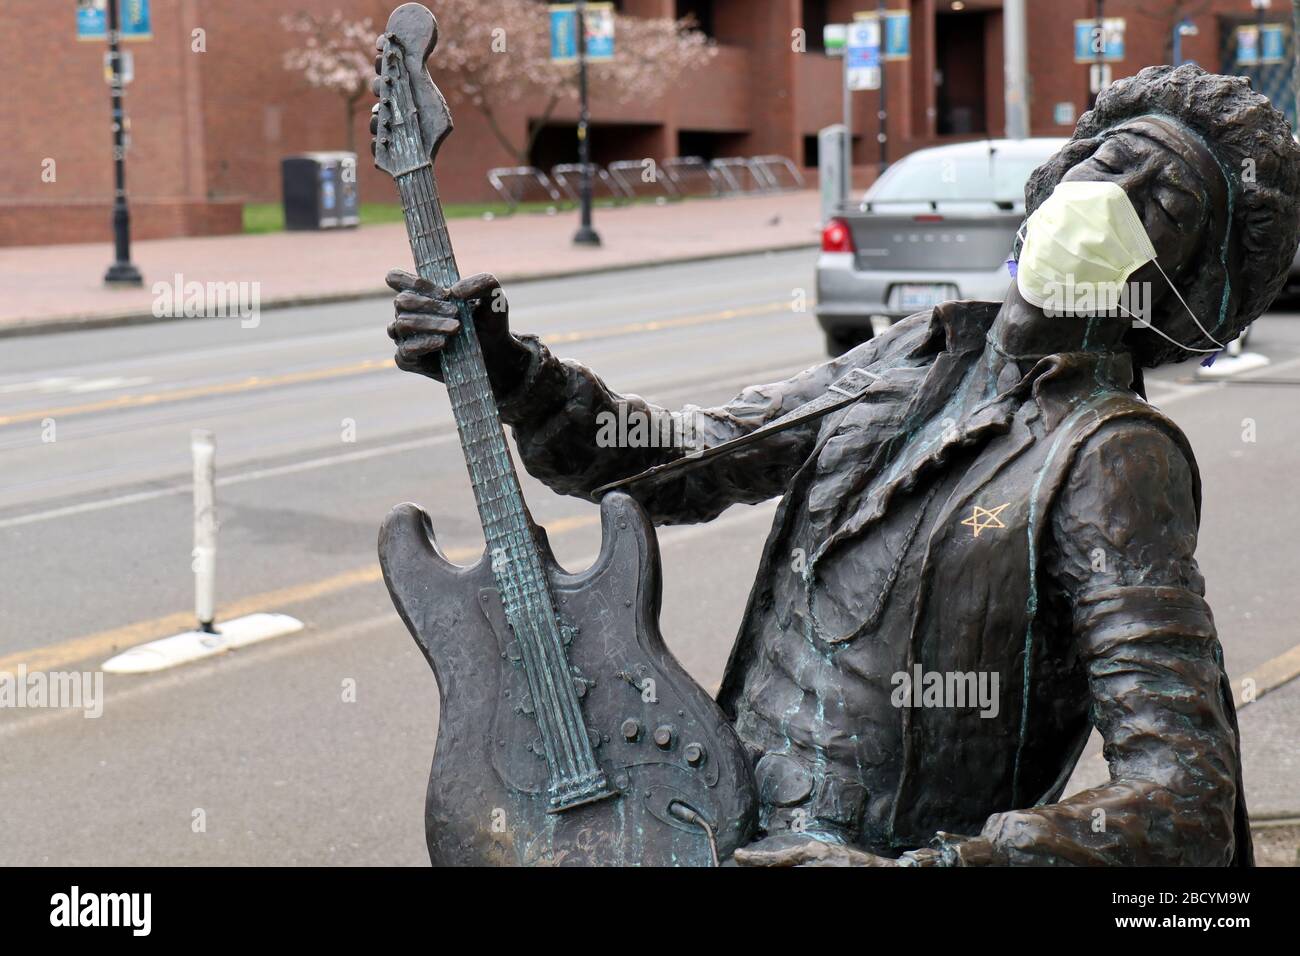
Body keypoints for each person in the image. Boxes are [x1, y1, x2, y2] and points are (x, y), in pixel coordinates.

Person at [384, 65, 1300, 865]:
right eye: (1109, 164)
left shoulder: (1113, 458)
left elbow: (1183, 792)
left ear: (1185, 286)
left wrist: (936, 869)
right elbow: (679, 462)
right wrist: (512, 370)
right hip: (712, 817)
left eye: (1165, 207)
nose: (1110, 201)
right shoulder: (914, 353)